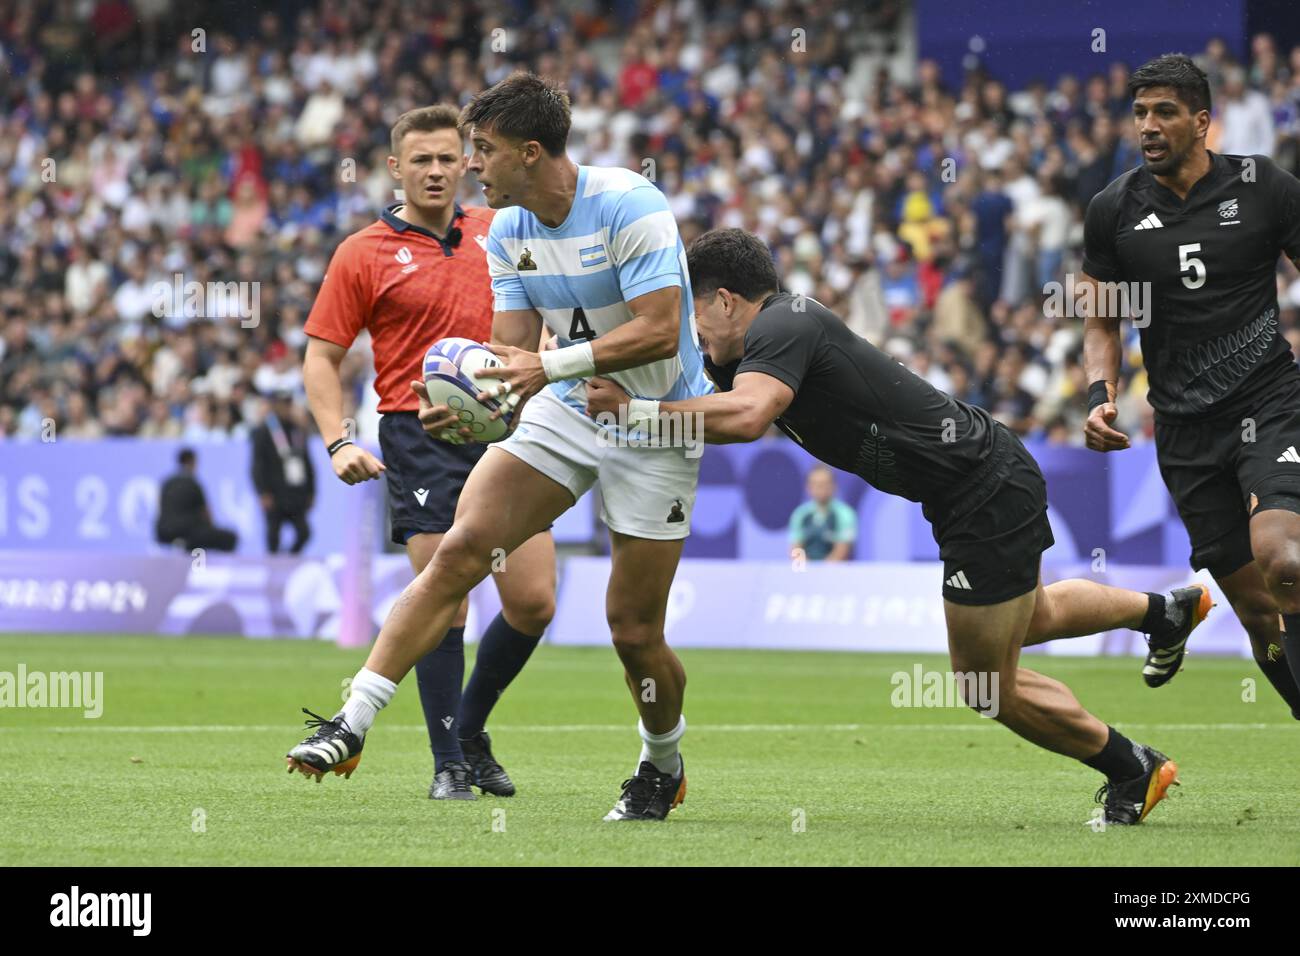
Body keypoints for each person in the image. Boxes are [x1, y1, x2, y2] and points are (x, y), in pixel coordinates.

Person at [586, 228, 1213, 825]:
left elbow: (746, 419)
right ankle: (1162, 612)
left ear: (725, 300)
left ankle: (1133, 768)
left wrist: (635, 412)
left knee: (984, 683)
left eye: (695, 312)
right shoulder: (748, 354)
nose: (691, 330)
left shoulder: (782, 322)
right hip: (972, 484)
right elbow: (711, 406)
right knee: (1034, 618)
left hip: (982, 487)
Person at [286, 74, 712, 822]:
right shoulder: (511, 231)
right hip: (569, 406)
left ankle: (662, 762)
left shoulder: (630, 205)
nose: (470, 165)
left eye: (481, 150)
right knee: (461, 550)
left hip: (658, 418)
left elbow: (652, 328)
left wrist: (544, 369)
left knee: (635, 631)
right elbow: (509, 348)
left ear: (531, 151)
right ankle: (352, 720)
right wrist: (476, 403)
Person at [299, 104, 557, 800]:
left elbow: (544, 319)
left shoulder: (501, 231)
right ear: (396, 169)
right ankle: (449, 764)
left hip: (512, 431)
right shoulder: (363, 253)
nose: (438, 171)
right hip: (422, 435)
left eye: (449, 158)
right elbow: (321, 360)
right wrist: (337, 442)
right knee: (448, 602)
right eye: (423, 160)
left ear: (468, 162)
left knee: (533, 602)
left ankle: (470, 729)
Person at [1082, 53, 1300, 716]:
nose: (1149, 125)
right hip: (1182, 430)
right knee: (1261, 615)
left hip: (1269, 402)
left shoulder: (1266, 188)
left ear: (1202, 121)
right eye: (1141, 112)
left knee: (1283, 560)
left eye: (1166, 113)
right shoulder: (1112, 210)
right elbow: (1100, 319)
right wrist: (1100, 394)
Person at [250, 390, 316, 555]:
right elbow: (258, 464)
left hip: (295, 494)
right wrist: (262, 492)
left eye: (288, 404)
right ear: (275, 406)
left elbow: (307, 463)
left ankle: (289, 561)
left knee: (304, 533)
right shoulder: (264, 431)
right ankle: (273, 568)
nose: (286, 408)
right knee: (273, 535)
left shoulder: (296, 430)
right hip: (274, 493)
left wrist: (311, 491)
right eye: (282, 404)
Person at [155, 447, 238, 552]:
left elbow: (159, 508)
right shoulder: (193, 482)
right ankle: (217, 566)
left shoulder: (167, 483)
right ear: (192, 462)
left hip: (164, 531)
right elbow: (205, 512)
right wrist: (210, 529)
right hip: (188, 531)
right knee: (230, 538)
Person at [788, 465, 856, 562]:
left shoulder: (845, 514)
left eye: (824, 484)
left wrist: (822, 572)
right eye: (815, 484)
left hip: (835, 572)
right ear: (808, 487)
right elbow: (796, 548)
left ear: (834, 486)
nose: (819, 488)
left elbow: (842, 550)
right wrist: (805, 571)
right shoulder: (800, 514)